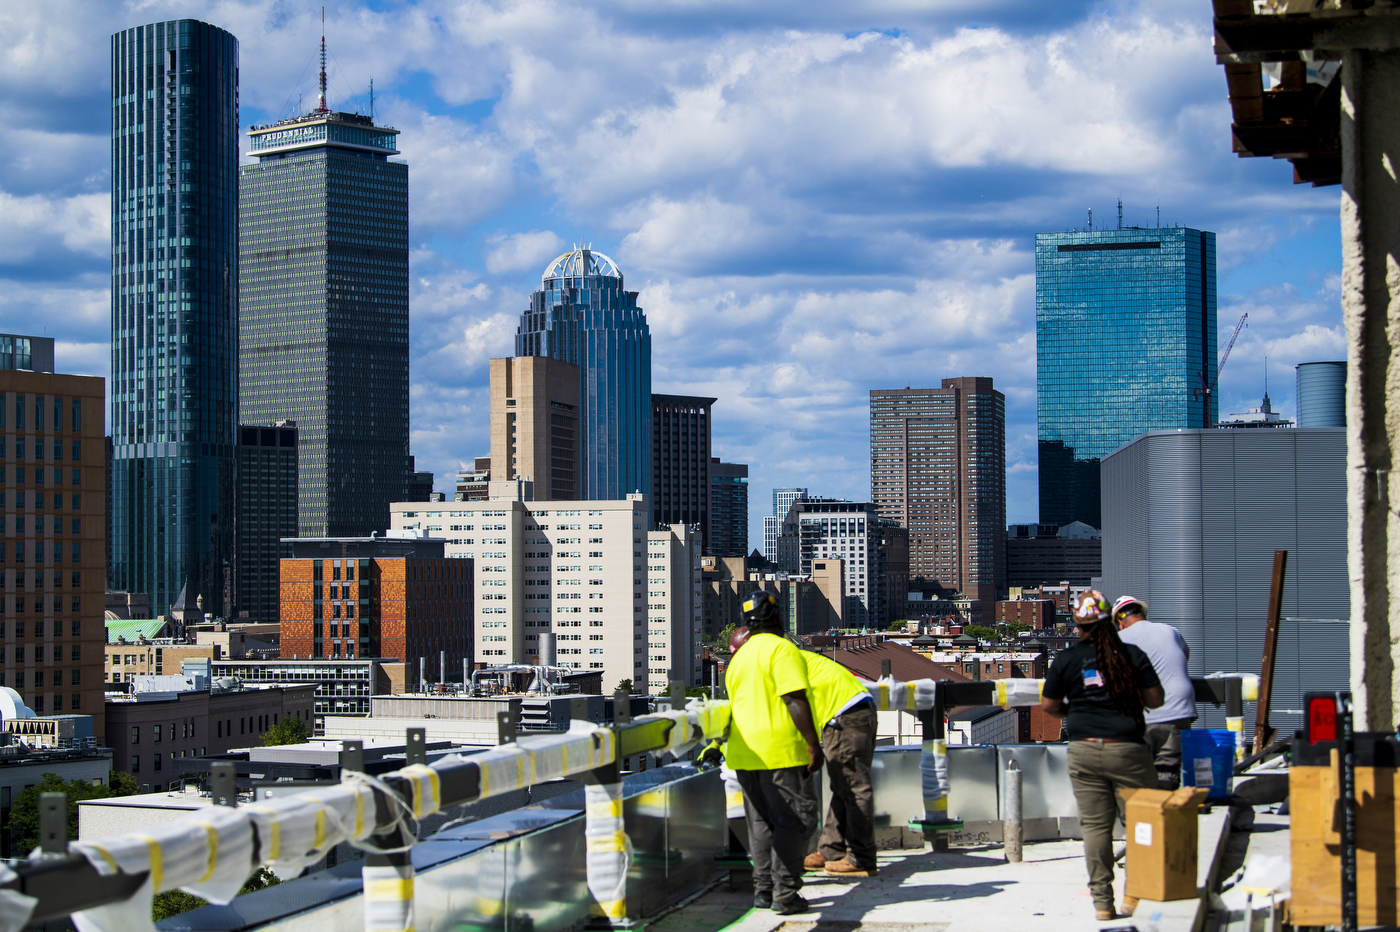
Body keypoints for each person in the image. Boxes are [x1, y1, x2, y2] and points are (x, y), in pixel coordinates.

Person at [1041, 589, 1165, 921]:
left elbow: (1049, 705)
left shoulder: (1067, 659)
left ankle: (1102, 903)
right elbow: (1156, 700)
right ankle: (1135, 895)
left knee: (1096, 828)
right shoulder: (1131, 655)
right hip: (1127, 749)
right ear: (1110, 620)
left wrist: (1074, 711)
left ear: (1078, 625)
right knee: (1139, 823)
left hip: (1083, 749)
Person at [723, 592, 823, 915]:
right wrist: (813, 743)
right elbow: (794, 699)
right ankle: (786, 893)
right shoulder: (782, 650)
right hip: (780, 753)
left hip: (743, 755)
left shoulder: (738, 659)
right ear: (776, 616)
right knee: (796, 821)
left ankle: (764, 890)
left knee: (762, 825)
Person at [798, 649, 879, 877]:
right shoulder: (791, 654)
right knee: (843, 786)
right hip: (853, 711)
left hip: (844, 716)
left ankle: (861, 858)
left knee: (854, 787)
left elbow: (790, 705)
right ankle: (830, 850)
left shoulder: (778, 661)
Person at [1113, 595, 1195, 789]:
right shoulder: (1170, 630)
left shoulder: (1117, 640)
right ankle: (1166, 803)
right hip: (1178, 710)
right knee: (1168, 771)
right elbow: (1185, 655)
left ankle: (1143, 806)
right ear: (1143, 615)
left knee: (1137, 775)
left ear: (1120, 623)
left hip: (1141, 715)